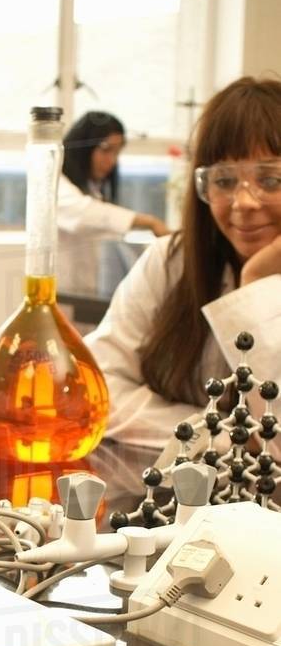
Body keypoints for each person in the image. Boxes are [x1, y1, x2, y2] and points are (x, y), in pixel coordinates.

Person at [86, 77, 281, 452]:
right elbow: (96, 391)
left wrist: (255, 284)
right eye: (224, 180)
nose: (243, 202)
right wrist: (223, 437)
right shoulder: (171, 261)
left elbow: (275, 444)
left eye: (269, 179)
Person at [58, 111, 169, 297]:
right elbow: (84, 215)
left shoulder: (95, 192)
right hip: (63, 296)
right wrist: (149, 222)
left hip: (89, 296)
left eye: (117, 152)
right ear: (83, 148)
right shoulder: (57, 186)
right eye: (105, 149)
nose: (112, 161)